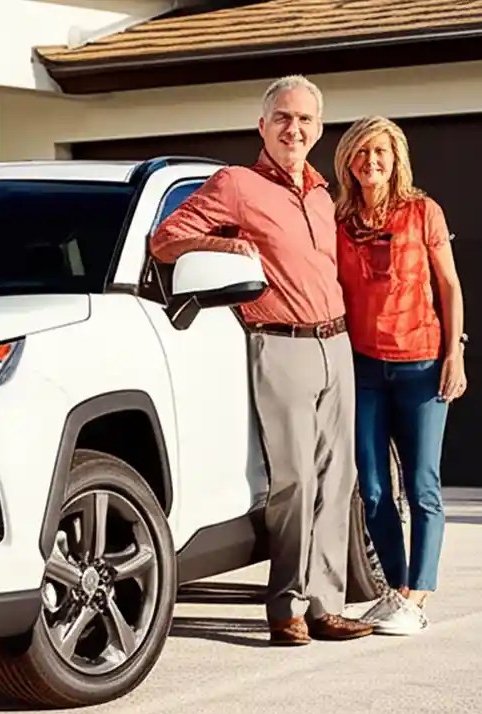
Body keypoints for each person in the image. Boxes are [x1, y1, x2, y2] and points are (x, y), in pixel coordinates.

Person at [150, 75, 373, 646]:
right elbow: (166, 238)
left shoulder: (325, 195)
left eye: (304, 120)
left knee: (338, 478)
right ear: (262, 125)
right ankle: (286, 607)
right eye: (282, 118)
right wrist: (225, 245)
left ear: (318, 129)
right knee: (295, 480)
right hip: (280, 344)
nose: (293, 129)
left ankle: (326, 606)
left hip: (336, 345)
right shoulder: (237, 185)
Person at [332, 116, 467, 635]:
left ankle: (418, 595)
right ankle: (394, 590)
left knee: (422, 484)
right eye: (361, 152)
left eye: (380, 152)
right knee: (370, 486)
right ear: (348, 160)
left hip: (422, 365)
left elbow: (450, 285)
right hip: (363, 367)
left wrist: (454, 355)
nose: (371, 162)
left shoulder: (422, 211)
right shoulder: (339, 219)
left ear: (396, 158)